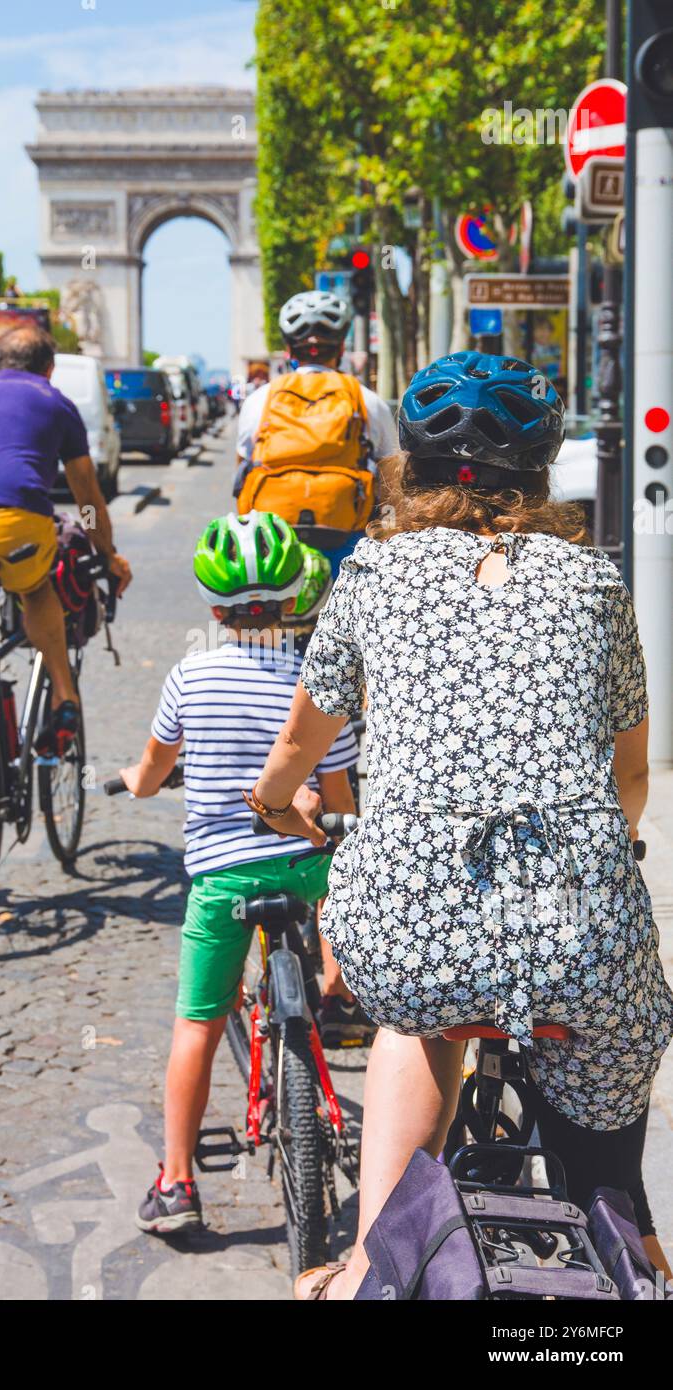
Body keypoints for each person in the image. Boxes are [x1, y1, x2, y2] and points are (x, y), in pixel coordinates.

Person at [247, 350, 673, 1298]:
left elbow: (298, 751)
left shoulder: (373, 574)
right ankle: (628, 1239)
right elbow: (631, 774)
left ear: (413, 465)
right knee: (610, 1088)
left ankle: (368, 1262)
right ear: (544, 469)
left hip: (409, 924)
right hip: (580, 934)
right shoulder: (595, 583)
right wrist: (597, 841)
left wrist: (279, 806)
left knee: (413, 1016)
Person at [114, 511, 359, 1233]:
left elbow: (154, 771)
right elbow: (340, 810)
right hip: (303, 865)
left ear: (214, 607)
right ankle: (337, 982)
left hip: (222, 881)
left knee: (195, 1022)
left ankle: (177, 1182)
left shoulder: (189, 676)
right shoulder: (319, 684)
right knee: (330, 871)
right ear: (295, 597)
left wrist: (134, 779)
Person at [0, 324, 132, 763]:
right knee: (36, 587)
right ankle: (64, 695)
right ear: (49, 369)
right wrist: (107, 554)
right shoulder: (56, 402)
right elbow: (86, 495)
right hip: (15, 522)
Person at [234, 290, 398, 576]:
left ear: (288, 348)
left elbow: (243, 471)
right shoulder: (367, 400)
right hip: (346, 535)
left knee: (271, 618)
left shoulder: (259, 399)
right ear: (340, 348)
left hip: (273, 543)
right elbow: (392, 476)